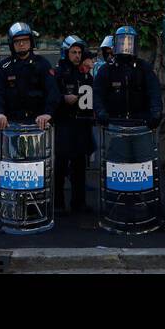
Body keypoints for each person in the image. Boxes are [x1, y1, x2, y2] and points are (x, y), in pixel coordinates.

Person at [92, 25, 161, 163]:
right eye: (122, 42)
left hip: (141, 126)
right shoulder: (106, 69)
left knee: (144, 164)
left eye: (129, 42)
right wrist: (101, 112)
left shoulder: (144, 68)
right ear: (116, 44)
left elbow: (154, 92)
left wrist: (155, 113)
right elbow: (98, 95)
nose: (125, 45)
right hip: (115, 126)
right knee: (116, 164)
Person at [54, 35, 96, 213]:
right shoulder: (57, 72)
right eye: (73, 52)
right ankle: (58, 204)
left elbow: (93, 93)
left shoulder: (84, 72)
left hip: (82, 124)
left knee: (79, 165)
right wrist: (63, 98)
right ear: (66, 53)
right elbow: (51, 95)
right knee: (61, 165)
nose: (77, 55)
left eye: (79, 52)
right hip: (64, 123)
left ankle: (79, 203)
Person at [0, 21, 57, 130]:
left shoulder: (43, 64)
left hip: (38, 123)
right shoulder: (4, 67)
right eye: (17, 41)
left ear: (31, 41)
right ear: (12, 44)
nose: (21, 44)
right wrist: (0, 113)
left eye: (25, 40)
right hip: (11, 124)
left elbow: (53, 91)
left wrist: (48, 113)